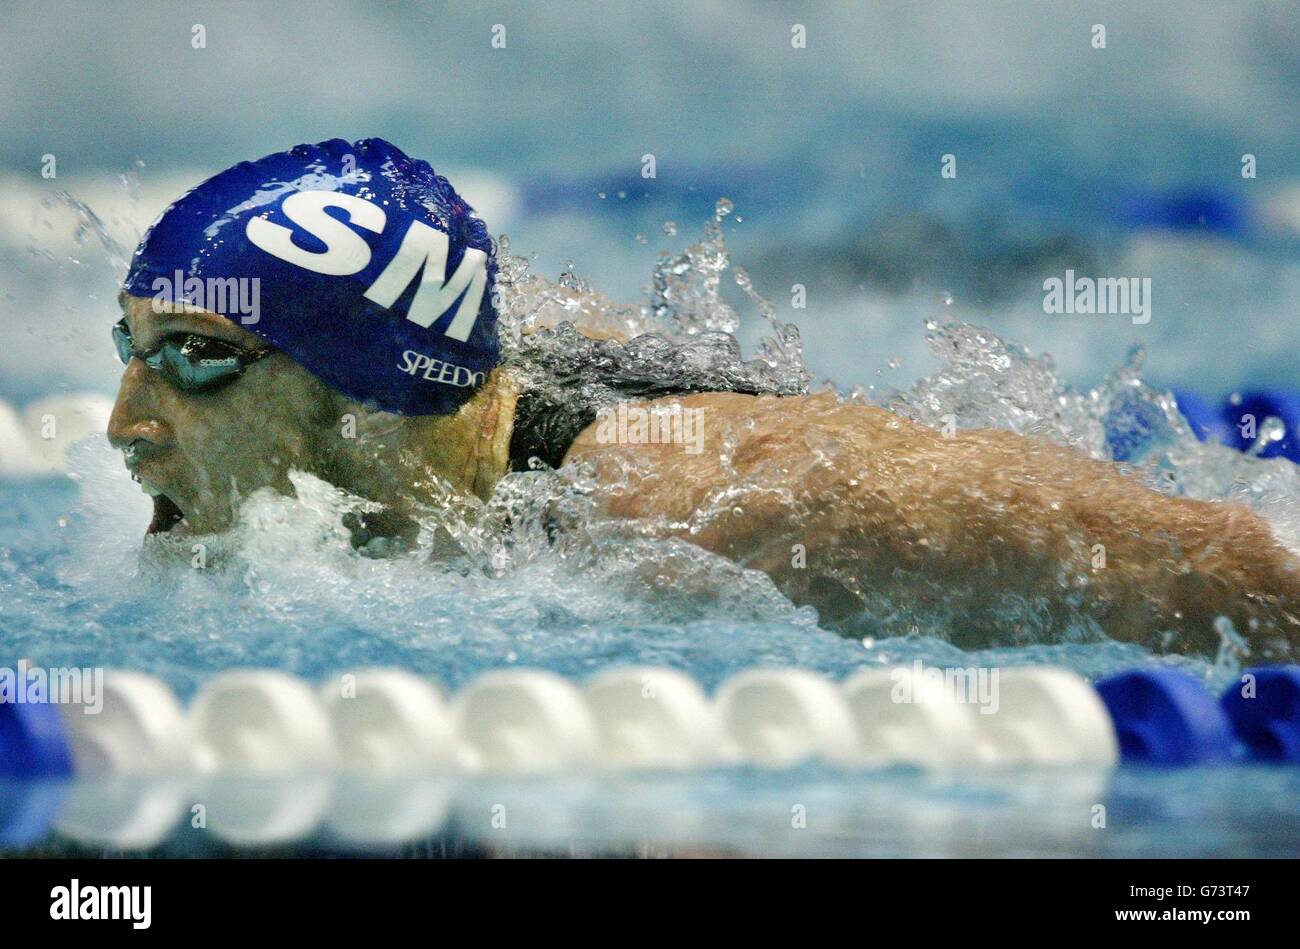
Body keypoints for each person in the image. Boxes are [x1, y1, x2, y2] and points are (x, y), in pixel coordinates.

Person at [108, 139, 1300, 659]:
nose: (125, 423)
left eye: (197, 358)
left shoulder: (702, 505)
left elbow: (1226, 563)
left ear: (369, 391)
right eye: (133, 346)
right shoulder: (431, 421)